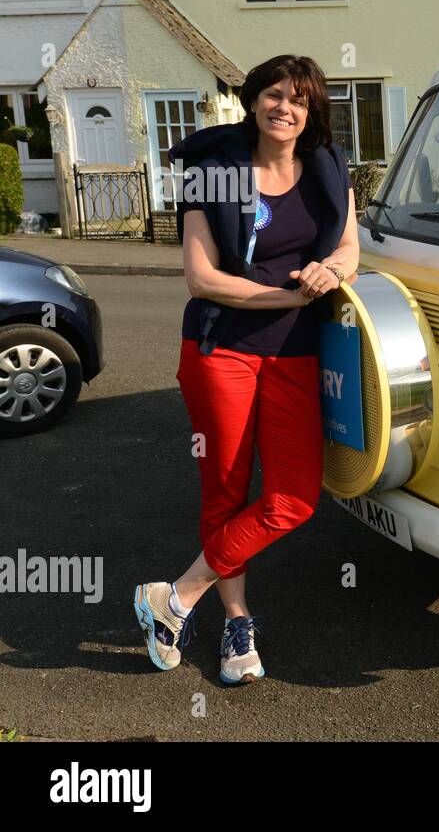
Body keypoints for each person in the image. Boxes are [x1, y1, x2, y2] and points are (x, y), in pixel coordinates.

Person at [132, 54, 359, 684]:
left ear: (312, 111)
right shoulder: (215, 172)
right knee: (226, 491)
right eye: (273, 94)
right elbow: (202, 278)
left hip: (295, 352)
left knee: (293, 497)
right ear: (253, 99)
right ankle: (237, 625)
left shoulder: (329, 168)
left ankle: (175, 596)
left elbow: (348, 248)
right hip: (222, 348)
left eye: (299, 99)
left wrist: (331, 272)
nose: (284, 107)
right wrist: (293, 296)